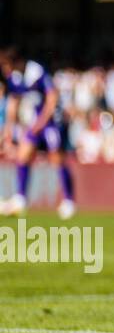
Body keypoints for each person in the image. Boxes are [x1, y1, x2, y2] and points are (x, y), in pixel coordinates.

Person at [0, 48, 76, 219]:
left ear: (16, 62)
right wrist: (8, 129)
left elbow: (52, 98)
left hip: (51, 121)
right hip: (34, 123)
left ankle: (69, 201)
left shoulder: (37, 71)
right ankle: (21, 198)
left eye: (6, 65)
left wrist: (41, 123)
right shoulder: (14, 78)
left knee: (57, 158)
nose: (5, 70)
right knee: (23, 155)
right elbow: (13, 102)